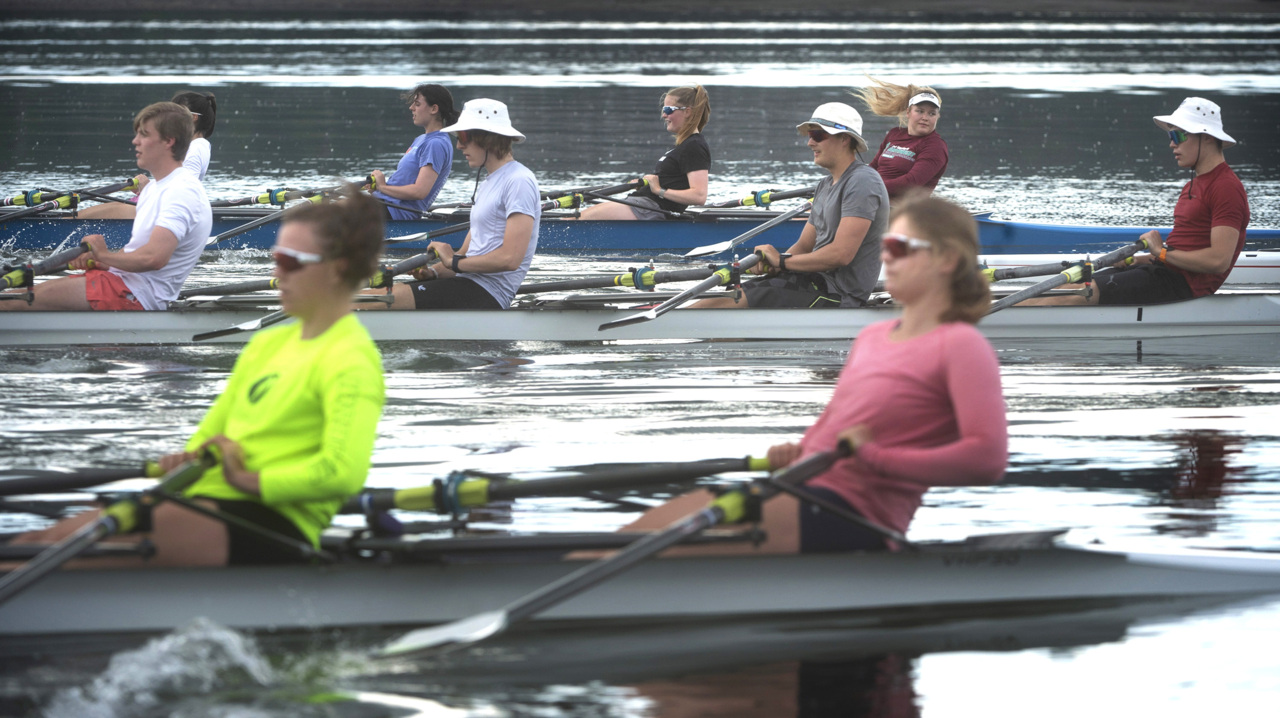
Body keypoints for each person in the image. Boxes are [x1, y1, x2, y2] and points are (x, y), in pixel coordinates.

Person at [7, 190, 386, 566]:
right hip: (209, 496)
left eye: (290, 261)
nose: (276, 273)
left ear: (336, 269)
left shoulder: (351, 356)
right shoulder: (266, 344)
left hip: (271, 519)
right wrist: (186, 461)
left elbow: (341, 472)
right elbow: (212, 433)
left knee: (43, 557)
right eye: (276, 259)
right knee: (35, 540)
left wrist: (249, 482)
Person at [623, 195, 1007, 554]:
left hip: (854, 514)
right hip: (801, 486)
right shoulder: (872, 337)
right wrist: (799, 452)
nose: (886, 257)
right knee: (631, 536)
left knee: (638, 547)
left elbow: (987, 459)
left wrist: (877, 458)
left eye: (900, 248)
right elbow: (833, 425)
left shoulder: (961, 345)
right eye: (886, 245)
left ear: (948, 261)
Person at [1018, 97, 1249, 307]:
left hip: (1181, 284)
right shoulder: (1193, 184)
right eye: (1170, 137)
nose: (1171, 144)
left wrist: (1160, 252)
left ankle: (990, 326)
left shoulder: (1226, 187)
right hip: (1163, 272)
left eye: (1178, 135)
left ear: (1206, 138)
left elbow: (1218, 261)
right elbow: (1184, 248)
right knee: (1061, 287)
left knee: (1072, 292)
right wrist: (1139, 259)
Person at [0, 101, 212, 311]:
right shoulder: (154, 189)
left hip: (136, 295)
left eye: (144, 134)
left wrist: (103, 255)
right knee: (12, 296)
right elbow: (137, 252)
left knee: (10, 302)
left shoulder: (181, 191)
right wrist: (104, 262)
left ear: (168, 141)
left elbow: (154, 258)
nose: (135, 141)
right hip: (120, 282)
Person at [692, 102, 888, 309]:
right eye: (810, 135)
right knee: (725, 297)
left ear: (845, 139)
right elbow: (803, 247)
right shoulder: (824, 185)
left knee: (719, 305)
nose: (810, 143)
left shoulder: (863, 181)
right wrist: (775, 265)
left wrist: (782, 262)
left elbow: (841, 254)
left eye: (818, 135)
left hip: (837, 293)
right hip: (811, 282)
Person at [359, 98, 540, 311]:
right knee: (366, 296)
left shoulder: (519, 181)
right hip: (467, 283)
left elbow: (510, 259)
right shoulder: (489, 183)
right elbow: (464, 254)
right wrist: (434, 272)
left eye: (463, 137)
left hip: (487, 292)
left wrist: (452, 262)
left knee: (364, 301)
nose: (459, 145)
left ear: (487, 139)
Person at [75, 90, 217, 220]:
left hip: (165, 213)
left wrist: (148, 188)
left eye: (175, 114)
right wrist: (147, 186)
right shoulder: (191, 146)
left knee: (101, 212)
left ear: (193, 118)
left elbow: (183, 193)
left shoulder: (196, 148)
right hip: (157, 206)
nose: (167, 119)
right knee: (101, 210)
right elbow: (173, 182)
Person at [576, 84, 711, 220]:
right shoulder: (684, 146)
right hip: (645, 206)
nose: (664, 115)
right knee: (572, 218)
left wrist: (659, 190)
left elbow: (699, 196)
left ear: (687, 112)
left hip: (651, 209)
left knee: (576, 220)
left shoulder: (694, 146)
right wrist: (646, 187)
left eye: (669, 109)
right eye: (663, 109)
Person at [366, 83, 458, 220]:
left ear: (434, 109)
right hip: (385, 205)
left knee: (330, 216)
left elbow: (419, 191)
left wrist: (382, 187)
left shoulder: (436, 144)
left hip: (398, 213)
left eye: (417, 104)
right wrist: (378, 189)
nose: (411, 108)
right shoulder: (421, 139)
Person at [855, 78, 948, 201]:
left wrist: (871, 188)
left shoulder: (935, 146)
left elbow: (911, 183)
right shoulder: (894, 134)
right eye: (920, 111)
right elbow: (873, 166)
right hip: (873, 198)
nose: (925, 118)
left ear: (938, 116)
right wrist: (855, 180)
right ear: (908, 112)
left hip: (904, 211)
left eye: (932, 113)